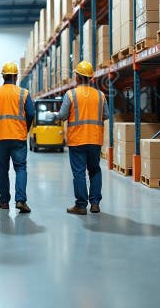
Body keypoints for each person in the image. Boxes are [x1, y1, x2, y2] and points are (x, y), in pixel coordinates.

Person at [54, 61, 110, 215]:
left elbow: (63, 115)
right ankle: (95, 204)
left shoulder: (71, 94)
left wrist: (55, 116)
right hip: (95, 139)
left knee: (79, 172)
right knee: (95, 170)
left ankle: (81, 205)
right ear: (91, 78)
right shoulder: (100, 95)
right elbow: (106, 115)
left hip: (77, 139)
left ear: (77, 77)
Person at [0, 61, 35, 214]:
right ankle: (20, 200)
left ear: (3, 76)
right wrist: (25, 128)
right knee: (20, 168)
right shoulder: (24, 93)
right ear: (16, 76)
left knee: (3, 169)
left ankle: (4, 201)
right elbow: (31, 114)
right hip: (18, 137)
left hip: (0, 138)